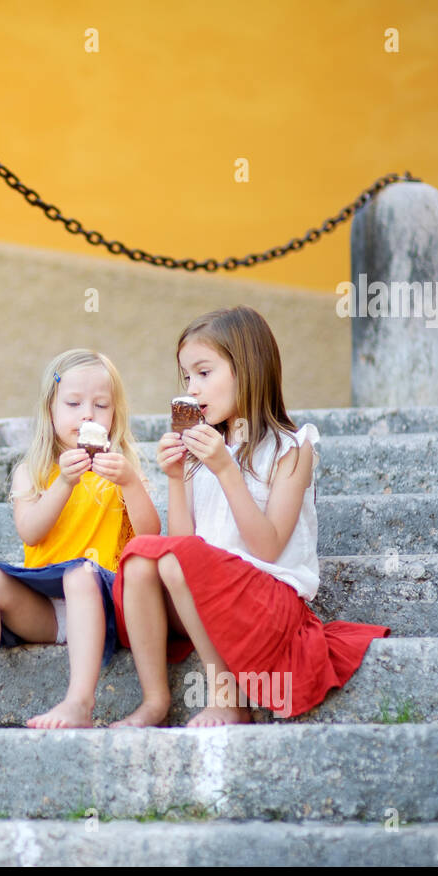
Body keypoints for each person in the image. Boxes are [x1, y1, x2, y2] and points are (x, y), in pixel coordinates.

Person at [109, 306, 390, 728]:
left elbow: (268, 545)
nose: (192, 389)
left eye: (204, 373)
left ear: (247, 369)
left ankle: (226, 695)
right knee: (142, 555)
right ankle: (154, 700)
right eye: (187, 377)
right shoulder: (199, 455)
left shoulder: (291, 449)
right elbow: (183, 542)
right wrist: (175, 477)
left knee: (169, 557)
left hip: (267, 600)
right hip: (205, 598)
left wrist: (226, 469)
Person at [0, 349, 161, 729]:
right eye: (74, 403)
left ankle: (80, 702)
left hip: (102, 604)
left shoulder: (121, 471)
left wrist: (130, 481)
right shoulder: (32, 472)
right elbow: (31, 530)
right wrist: (64, 483)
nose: (87, 414)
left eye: (101, 405)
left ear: (115, 414)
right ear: (50, 409)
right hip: (45, 610)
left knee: (80, 572)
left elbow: (151, 537)